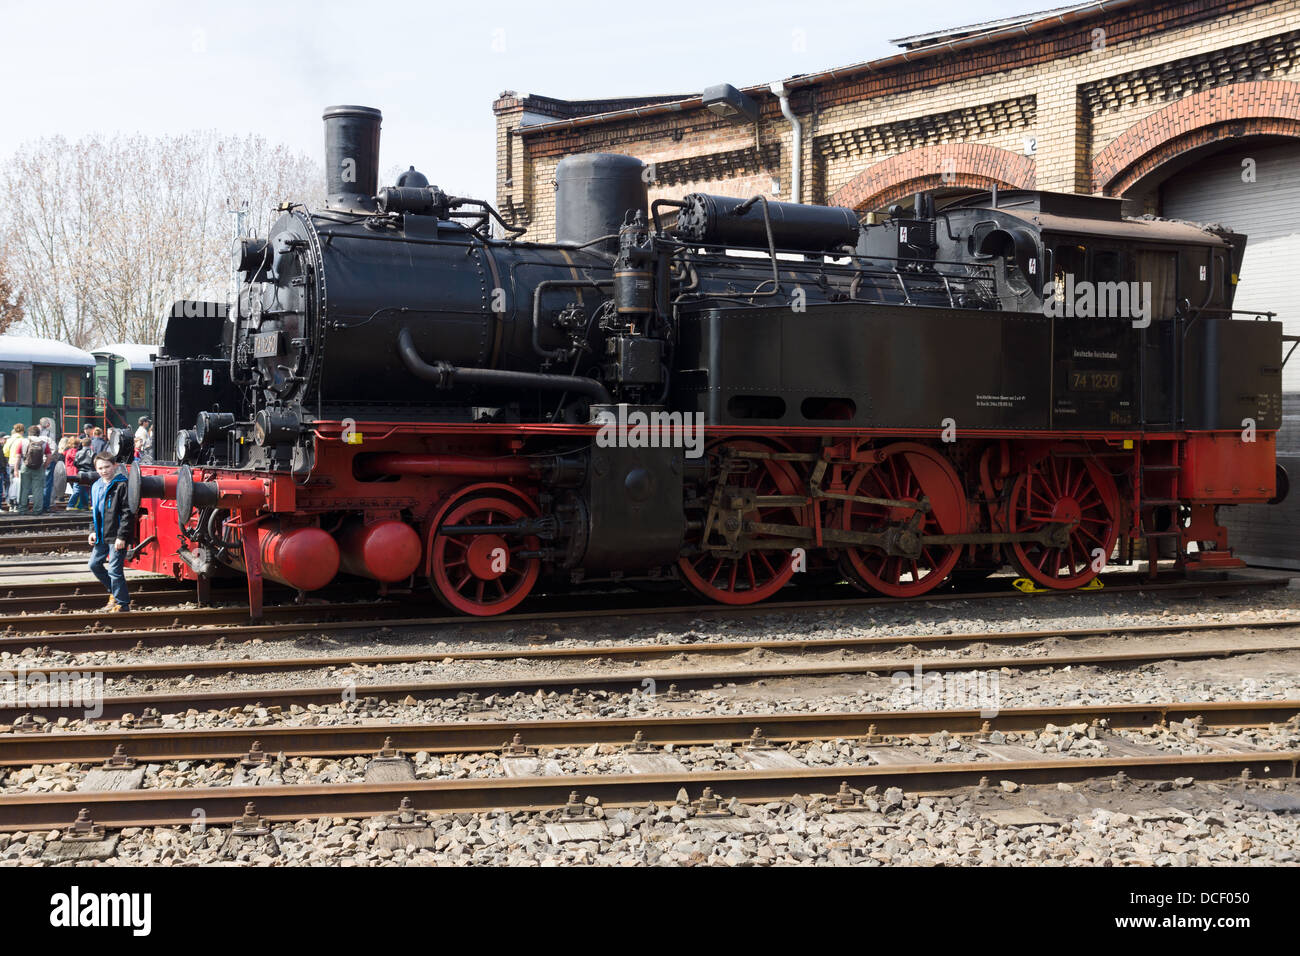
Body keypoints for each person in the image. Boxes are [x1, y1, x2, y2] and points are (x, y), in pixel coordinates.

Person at [87, 452, 133, 612]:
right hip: (101, 535)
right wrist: (92, 531)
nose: (104, 470)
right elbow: (95, 512)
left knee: (115, 570)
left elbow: (128, 512)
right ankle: (114, 592)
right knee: (94, 564)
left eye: (107, 466)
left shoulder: (122, 485)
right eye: (100, 468)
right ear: (96, 469)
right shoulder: (96, 486)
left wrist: (122, 536)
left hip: (117, 535)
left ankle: (122, 604)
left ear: (114, 466)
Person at [16, 424, 51, 514]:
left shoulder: (23, 441)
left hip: (26, 467)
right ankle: (37, 510)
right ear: (38, 433)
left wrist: (16, 469)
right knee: (38, 489)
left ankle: (23, 510)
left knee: (24, 488)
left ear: (29, 433)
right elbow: (49, 456)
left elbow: (18, 457)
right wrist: (44, 466)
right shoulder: (44, 443)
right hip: (39, 467)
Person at [68, 438, 93, 510]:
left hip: (81, 472)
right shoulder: (92, 452)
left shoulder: (78, 452)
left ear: (82, 444)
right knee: (91, 490)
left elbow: (75, 463)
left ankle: (84, 505)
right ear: (90, 444)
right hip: (90, 472)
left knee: (81, 489)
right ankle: (91, 505)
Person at [3, 424, 24, 509]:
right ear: (22, 431)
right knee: (20, 485)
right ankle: (18, 504)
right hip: (21, 463)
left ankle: (11, 504)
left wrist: (11, 456)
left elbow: (5, 452)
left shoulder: (9, 440)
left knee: (12, 484)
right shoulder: (23, 440)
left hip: (11, 463)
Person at [40, 417, 57, 513]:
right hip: (48, 461)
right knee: (47, 484)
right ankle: (45, 505)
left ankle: (37, 505)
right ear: (48, 425)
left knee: (37, 484)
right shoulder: (50, 435)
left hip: (36, 462)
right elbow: (53, 449)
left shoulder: (36, 434)